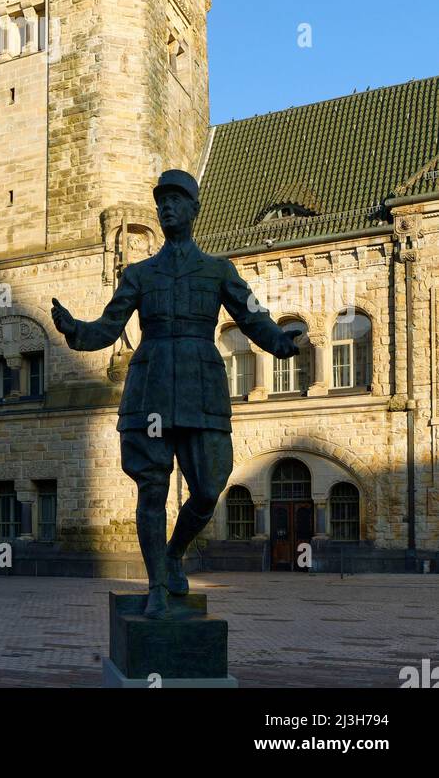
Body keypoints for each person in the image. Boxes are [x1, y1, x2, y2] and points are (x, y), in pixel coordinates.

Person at [51, 168, 301, 618]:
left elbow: (252, 316)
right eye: (161, 201)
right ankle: (158, 587)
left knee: (208, 488)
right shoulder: (140, 274)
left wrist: (280, 341)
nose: (166, 208)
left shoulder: (218, 270)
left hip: (201, 387)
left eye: (175, 200)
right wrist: (75, 331)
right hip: (150, 385)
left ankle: (173, 554)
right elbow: (109, 327)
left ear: (193, 210)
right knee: (151, 488)